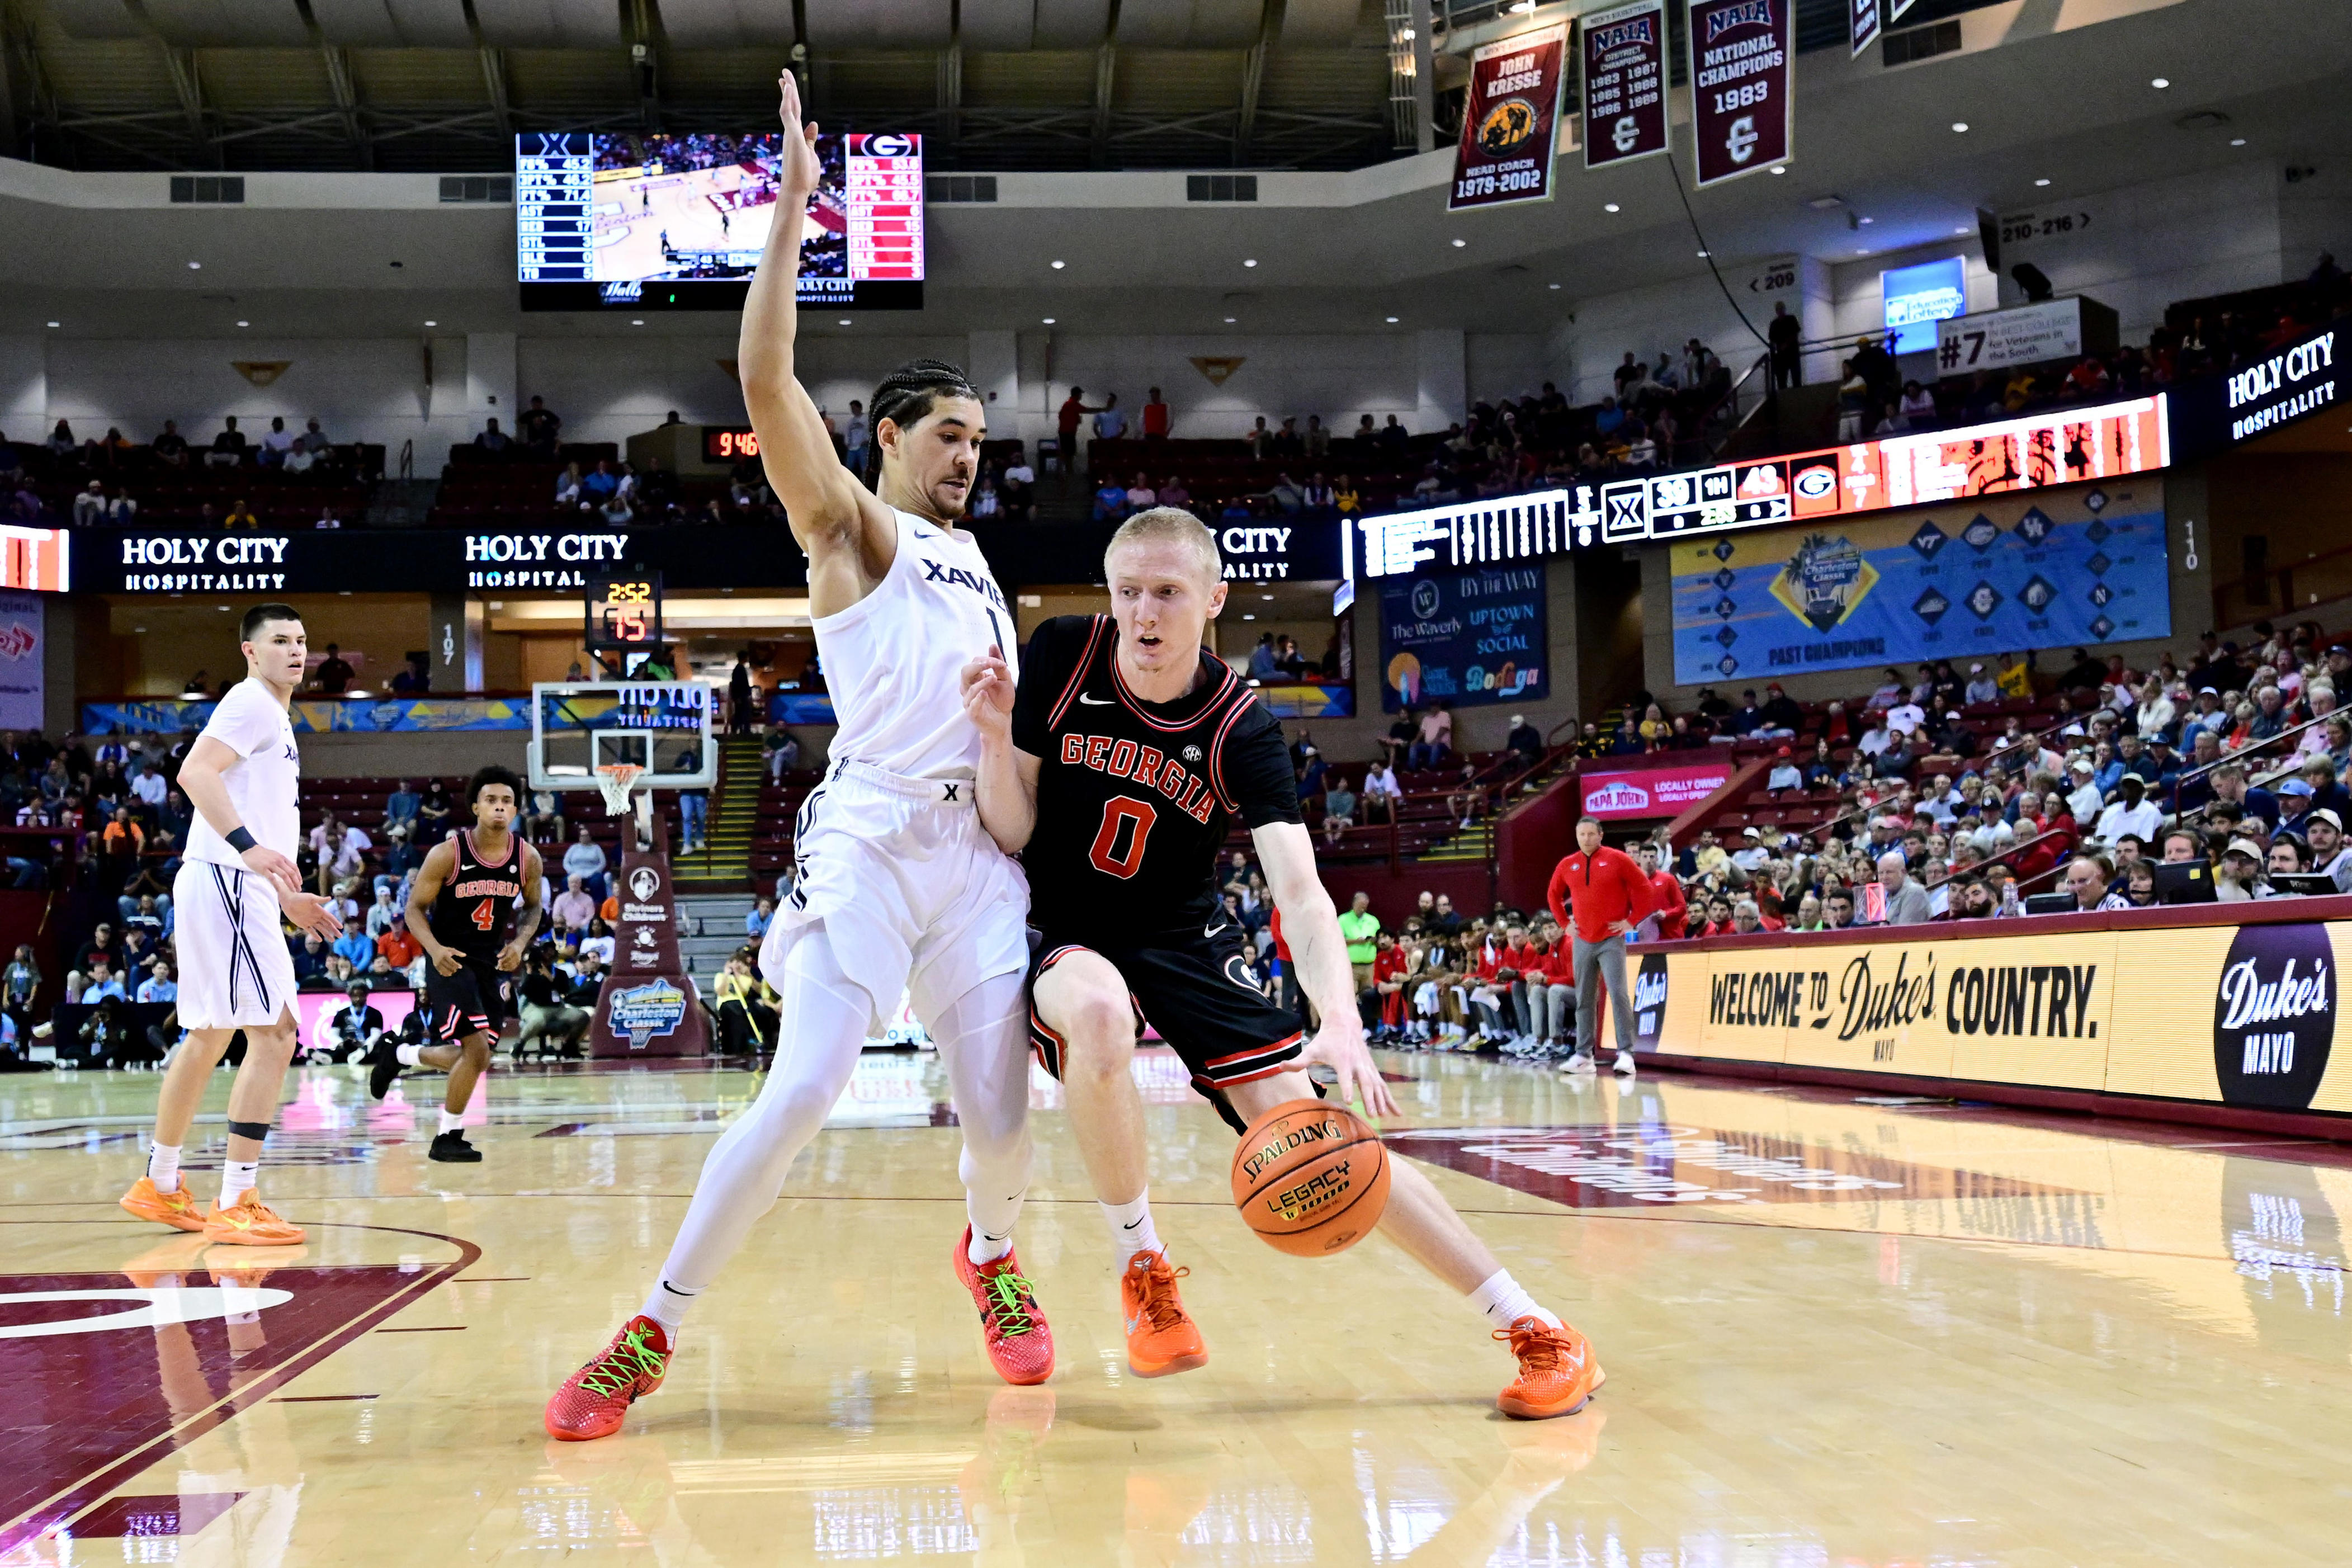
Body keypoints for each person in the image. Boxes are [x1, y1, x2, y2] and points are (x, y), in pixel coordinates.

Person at [547, 73, 1046, 1443]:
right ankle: (648, 1324)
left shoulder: (976, 556)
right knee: (807, 1086)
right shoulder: (849, 529)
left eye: (980, 442)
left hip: (975, 853)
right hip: (874, 841)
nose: (968, 457)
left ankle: (990, 1257)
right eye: (950, 434)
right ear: (886, 436)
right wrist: (789, 210)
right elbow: (764, 377)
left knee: (1003, 1114)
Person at [962, 508, 1603, 1420]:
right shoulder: (1064, 651)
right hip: (1058, 923)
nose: (1145, 613)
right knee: (1099, 1015)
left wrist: (1336, 1013)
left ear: (1214, 599)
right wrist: (994, 738)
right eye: (1130, 591)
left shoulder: (1241, 727)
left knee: (1324, 1145)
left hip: (1182, 936)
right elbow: (1013, 828)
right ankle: (1143, 1266)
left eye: (1169, 593)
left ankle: (1535, 1323)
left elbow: (1300, 891)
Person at [116, 603, 342, 1246]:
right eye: (279, 640)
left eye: (301, 639)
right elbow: (194, 773)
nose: (295, 650)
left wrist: (282, 894)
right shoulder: (251, 704)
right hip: (226, 878)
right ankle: (238, 1197)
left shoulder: (273, 713)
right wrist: (249, 853)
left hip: (228, 882)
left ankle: (159, 1184)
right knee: (274, 1034)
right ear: (250, 650)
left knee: (211, 1034)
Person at [369, 767, 543, 1163]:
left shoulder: (526, 857)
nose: (499, 808)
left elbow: (533, 908)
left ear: (515, 809)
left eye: (506, 802)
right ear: (476, 807)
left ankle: (400, 1055)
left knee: (479, 1058)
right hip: (448, 959)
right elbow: (413, 909)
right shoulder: (448, 853)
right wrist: (433, 950)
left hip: (493, 960)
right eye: (491, 801)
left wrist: (519, 941)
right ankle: (447, 1136)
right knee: (475, 1048)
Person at [1547, 818, 1655, 1076]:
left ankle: (1626, 1053)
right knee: (1584, 997)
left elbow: (1646, 889)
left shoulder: (1618, 859)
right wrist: (1564, 923)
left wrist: (1631, 921)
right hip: (1583, 939)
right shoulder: (1567, 864)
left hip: (1611, 938)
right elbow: (1553, 894)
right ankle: (1584, 1055)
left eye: (1591, 834)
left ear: (1601, 835)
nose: (1586, 839)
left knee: (1618, 994)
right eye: (1581, 834)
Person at [1872, 851, 1933, 925]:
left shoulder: (1915, 892)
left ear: (1903, 872)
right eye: (1881, 873)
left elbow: (1904, 932)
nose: (1884, 877)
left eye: (1889, 872)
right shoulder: (1885, 894)